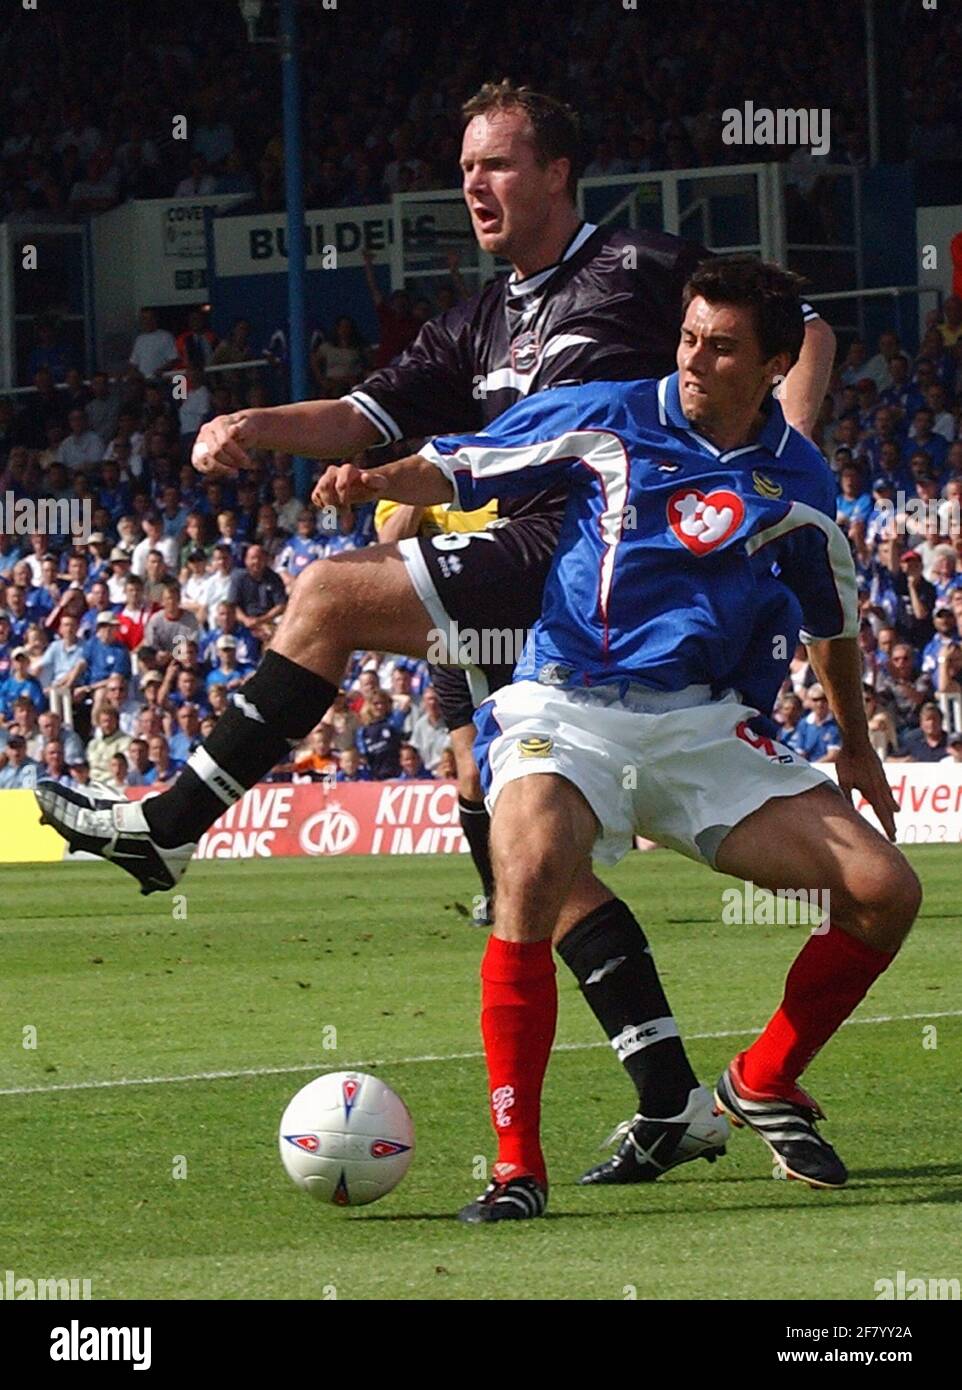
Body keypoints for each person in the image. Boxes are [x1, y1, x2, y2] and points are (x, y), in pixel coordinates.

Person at [34, 83, 833, 1185]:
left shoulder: (641, 269)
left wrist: (774, 454)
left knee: (325, 596)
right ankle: (669, 1097)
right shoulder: (476, 322)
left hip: (578, 554)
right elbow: (367, 417)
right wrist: (252, 424)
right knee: (490, 822)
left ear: (557, 174)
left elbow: (805, 325)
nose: (474, 184)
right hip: (512, 567)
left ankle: (170, 825)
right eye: (465, 167)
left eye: (497, 163)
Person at [310, 256, 918, 1219]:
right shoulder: (612, 412)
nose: (693, 361)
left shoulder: (798, 478)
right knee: (534, 863)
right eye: (688, 336)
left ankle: (760, 1081)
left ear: (771, 365)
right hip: (567, 704)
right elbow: (464, 459)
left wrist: (856, 742)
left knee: (885, 891)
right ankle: (518, 1169)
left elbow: (828, 615)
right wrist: (375, 476)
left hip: (703, 726)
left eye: (721, 347)